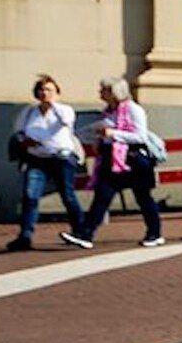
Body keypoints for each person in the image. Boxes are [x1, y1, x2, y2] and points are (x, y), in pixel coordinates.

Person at [62, 75, 162, 248]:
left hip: (133, 159)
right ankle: (86, 234)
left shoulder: (133, 109)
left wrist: (112, 134)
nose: (100, 92)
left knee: (143, 197)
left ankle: (154, 233)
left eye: (104, 89)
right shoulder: (109, 111)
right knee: (102, 196)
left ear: (113, 91)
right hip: (111, 158)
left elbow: (140, 136)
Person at [7, 74, 84, 251]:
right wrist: (24, 140)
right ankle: (25, 235)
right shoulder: (29, 112)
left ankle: (80, 230)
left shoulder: (64, 110)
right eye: (41, 90)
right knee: (30, 195)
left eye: (49, 90)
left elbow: (66, 122)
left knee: (67, 195)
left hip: (61, 157)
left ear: (57, 93)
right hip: (36, 159)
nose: (44, 93)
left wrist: (53, 105)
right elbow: (18, 131)